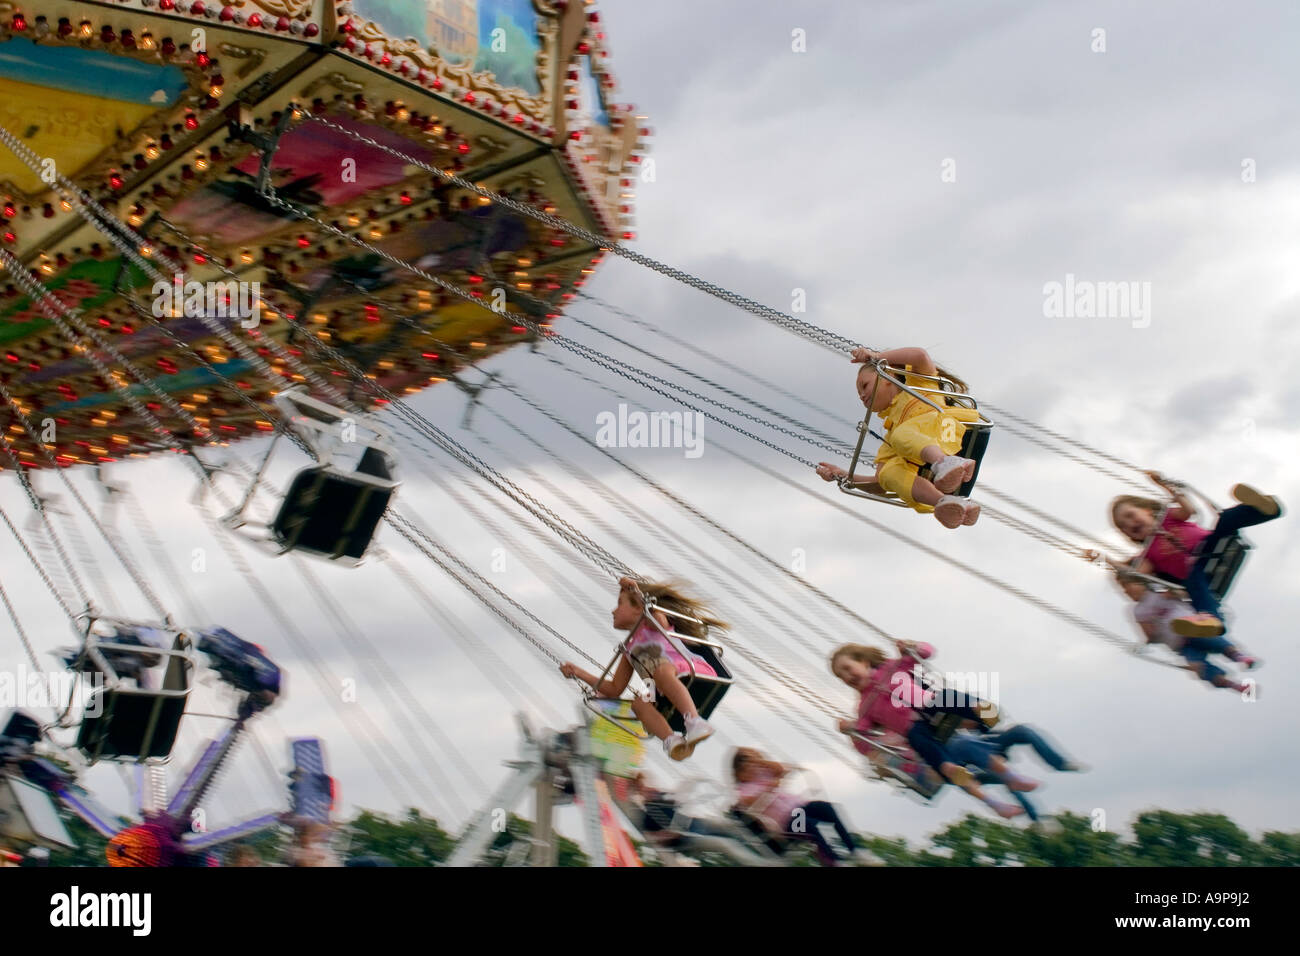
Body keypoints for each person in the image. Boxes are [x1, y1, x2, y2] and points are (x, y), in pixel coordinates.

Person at [831, 641, 1025, 819]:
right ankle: (993, 802)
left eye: (848, 669)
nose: (847, 677)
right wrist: (851, 730)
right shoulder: (864, 707)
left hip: (930, 706)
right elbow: (863, 741)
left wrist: (913, 647)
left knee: (948, 698)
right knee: (940, 757)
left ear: (864, 662)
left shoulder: (893, 667)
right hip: (916, 732)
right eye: (841, 677)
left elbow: (926, 652)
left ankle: (986, 714)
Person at [1095, 472, 1282, 635]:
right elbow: (1133, 574)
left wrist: (1166, 486)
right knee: (1193, 583)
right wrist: (1104, 561)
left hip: (1212, 546)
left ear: (1147, 510)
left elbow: (1189, 510)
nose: (1129, 524)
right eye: (1123, 526)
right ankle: (1212, 620)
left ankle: (1264, 509)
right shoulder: (1147, 556)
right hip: (1200, 570)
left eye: (1130, 515)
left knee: (1225, 519)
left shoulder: (1168, 518)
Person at [816, 346, 981, 528]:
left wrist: (877, 357)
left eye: (865, 385)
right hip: (928, 465)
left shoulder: (918, 384)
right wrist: (843, 475)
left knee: (901, 435)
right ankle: (946, 502)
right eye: (859, 394)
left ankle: (944, 462)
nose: (862, 396)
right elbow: (880, 483)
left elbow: (919, 355)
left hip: (948, 431)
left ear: (888, 375)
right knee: (889, 471)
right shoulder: (892, 434)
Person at [561, 577, 722, 760]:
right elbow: (615, 689)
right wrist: (579, 673)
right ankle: (672, 740)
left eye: (619, 604)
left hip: (690, 670)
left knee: (661, 672)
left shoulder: (651, 622)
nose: (613, 611)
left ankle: (694, 721)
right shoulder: (629, 649)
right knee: (639, 703)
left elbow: (657, 620)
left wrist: (638, 594)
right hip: (664, 687)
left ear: (638, 608)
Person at [1116, 571, 1259, 692]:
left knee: (1214, 641)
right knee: (1198, 667)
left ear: (1139, 583)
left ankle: (1241, 657)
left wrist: (1172, 593)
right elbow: (1149, 635)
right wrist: (1149, 636)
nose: (1126, 591)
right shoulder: (1138, 611)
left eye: (1127, 586)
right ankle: (1234, 685)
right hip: (1181, 644)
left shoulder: (1157, 589)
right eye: (1123, 589)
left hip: (1192, 628)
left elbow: (1181, 593)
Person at [730, 747, 875, 866]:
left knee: (826, 808)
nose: (751, 767)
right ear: (739, 773)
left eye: (752, 763)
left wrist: (761, 761)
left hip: (799, 808)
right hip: (785, 823)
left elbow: (782, 769)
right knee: (814, 825)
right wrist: (768, 787)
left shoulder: (765, 774)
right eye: (746, 766)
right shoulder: (744, 790)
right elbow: (750, 801)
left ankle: (855, 849)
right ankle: (834, 860)